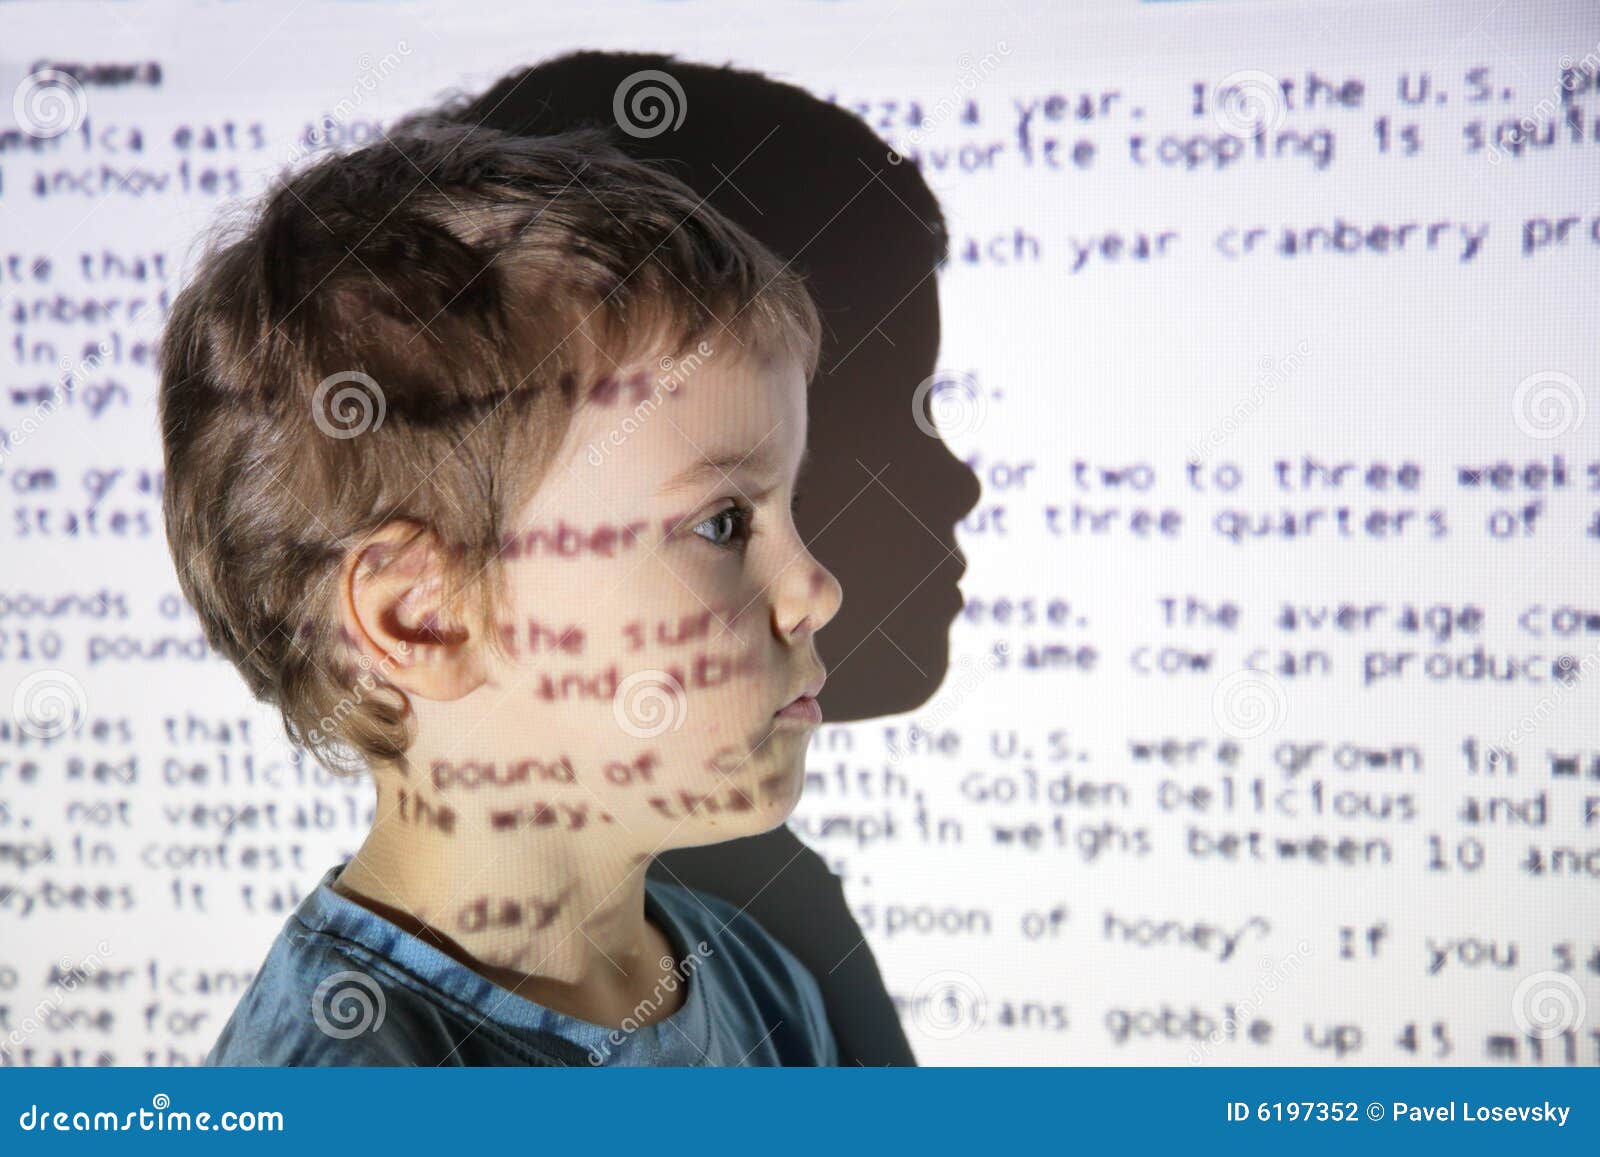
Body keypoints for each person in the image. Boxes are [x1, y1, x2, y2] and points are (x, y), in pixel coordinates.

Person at [156, 102, 844, 1066]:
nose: (817, 587)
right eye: (722, 523)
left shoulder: (760, 982)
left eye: (787, 507)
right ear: (423, 617)